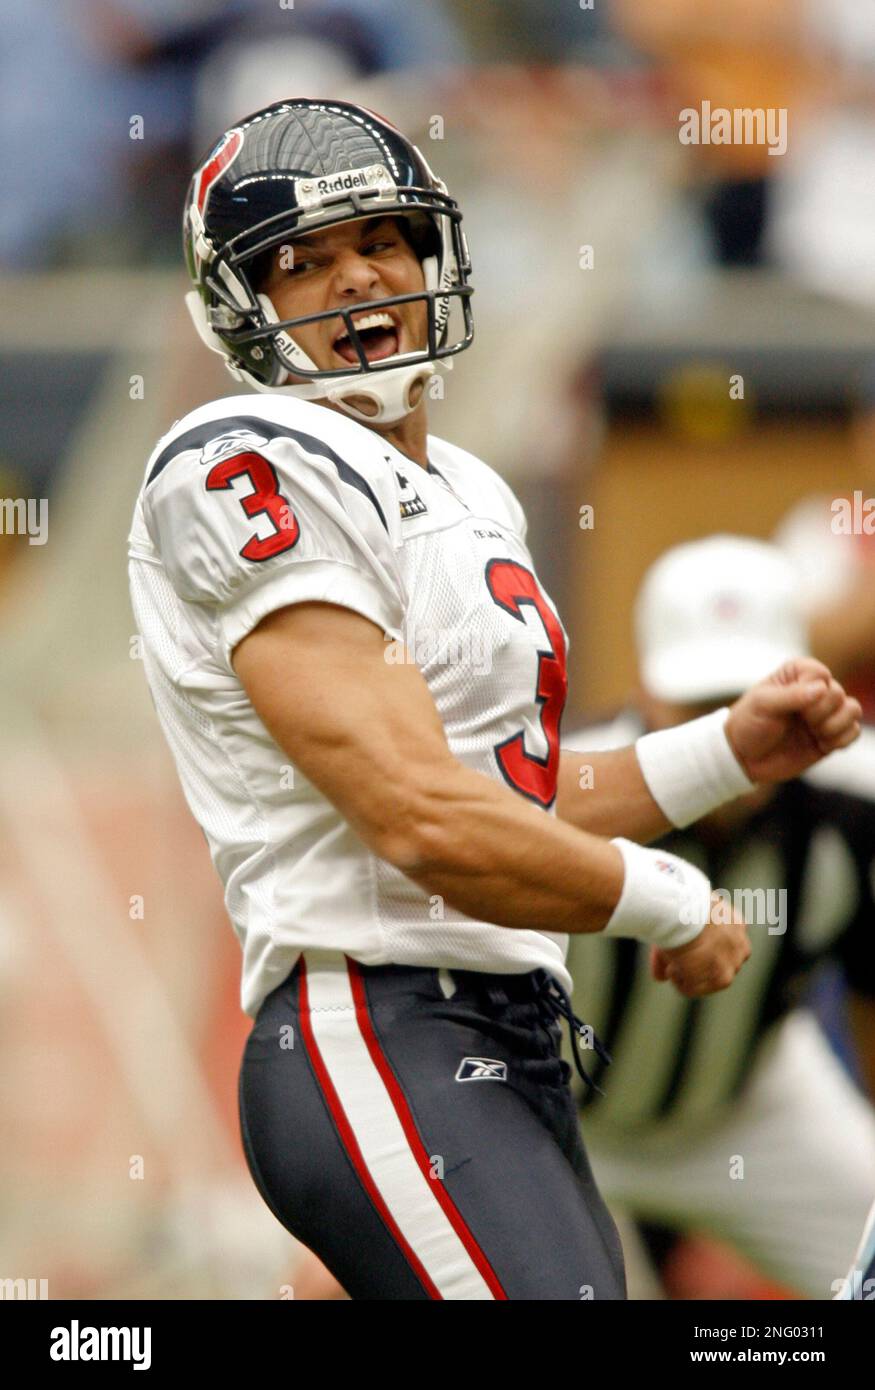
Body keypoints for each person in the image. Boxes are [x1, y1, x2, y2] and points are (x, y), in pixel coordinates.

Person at [127, 99, 860, 1300]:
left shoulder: (464, 487)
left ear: (432, 255)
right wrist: (669, 896)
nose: (355, 275)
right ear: (241, 310)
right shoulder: (244, 457)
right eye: (299, 262)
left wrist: (722, 753)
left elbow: (507, 794)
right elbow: (420, 819)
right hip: (372, 1016)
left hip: (503, 1031)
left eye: (380, 238)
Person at [563, 536, 875, 1299]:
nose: (737, 736)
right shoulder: (569, 790)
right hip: (550, 1122)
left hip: (751, 1110)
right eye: (703, 706)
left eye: (750, 701)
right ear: (643, 688)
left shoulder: (852, 804)